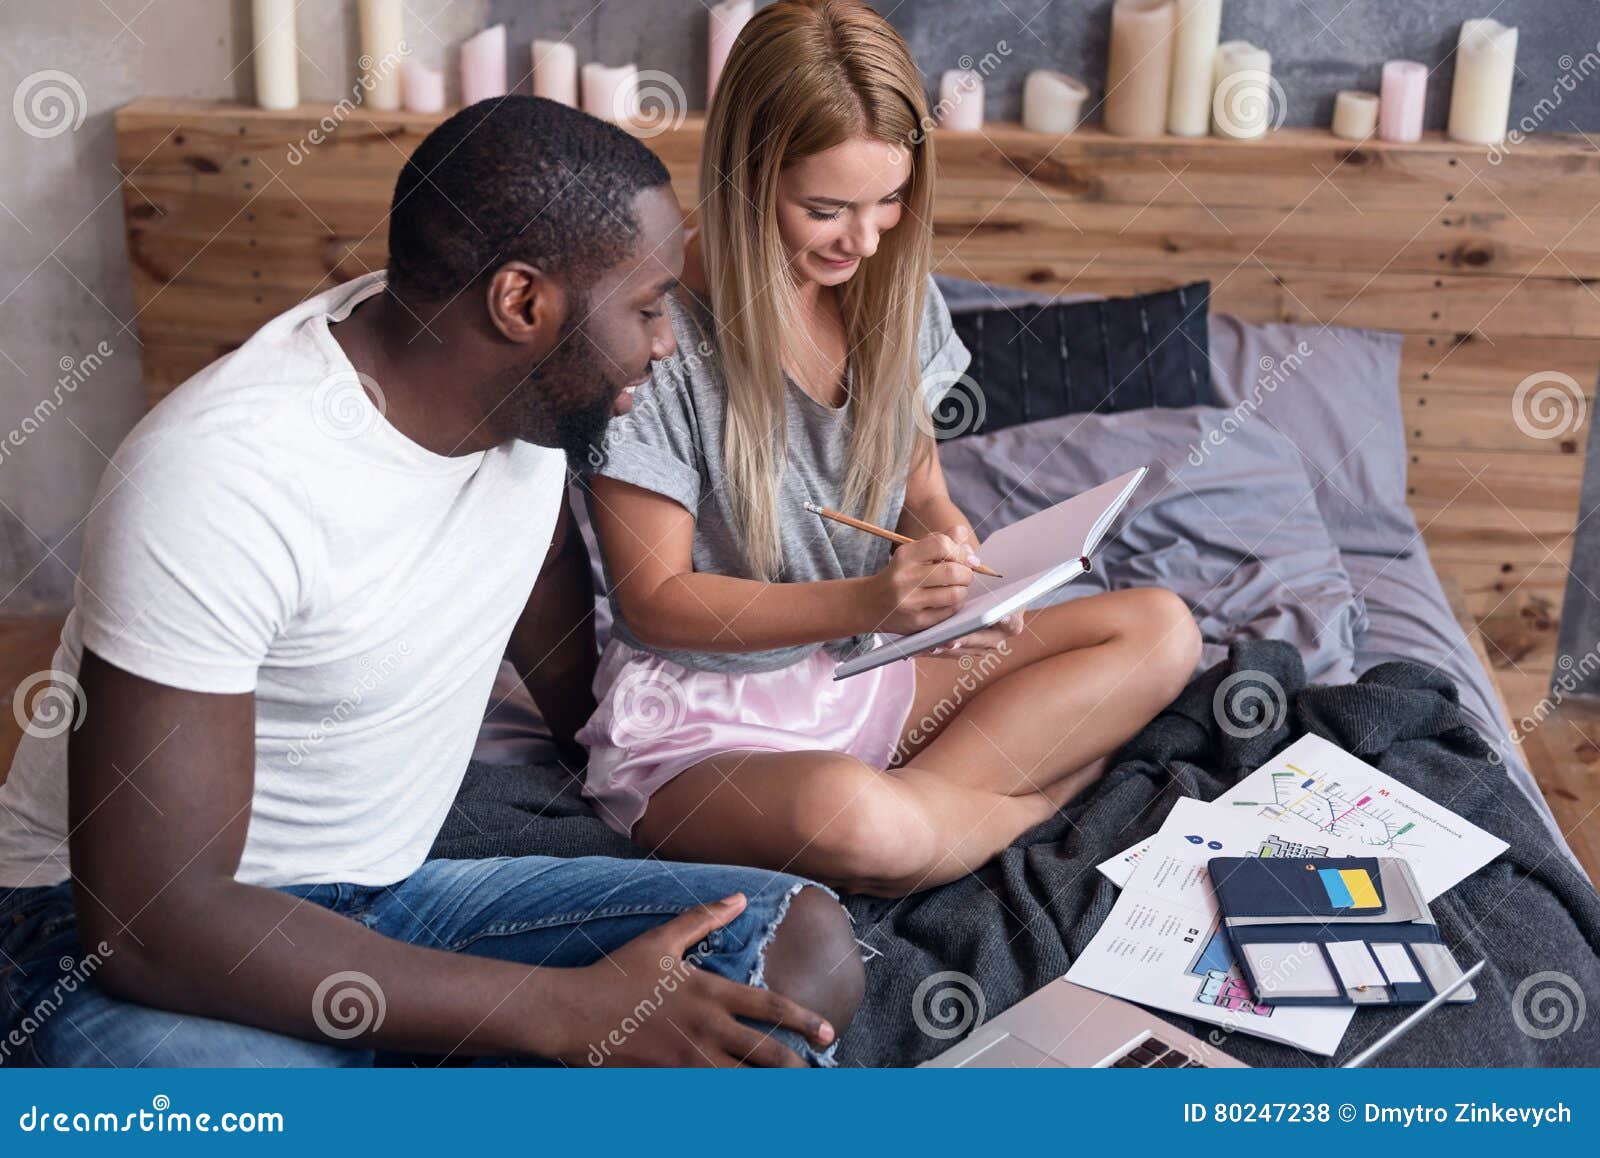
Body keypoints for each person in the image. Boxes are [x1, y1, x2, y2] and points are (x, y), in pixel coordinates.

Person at [0, 97, 862, 1068]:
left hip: (384, 896)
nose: (664, 344)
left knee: (794, 947)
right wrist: (559, 1010)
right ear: (522, 304)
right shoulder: (220, 476)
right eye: (648, 307)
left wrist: (621, 773)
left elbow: (531, 571)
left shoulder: (533, 404)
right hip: (111, 940)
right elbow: (153, 923)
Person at [579, 0, 1203, 897]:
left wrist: (962, 567)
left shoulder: (889, 294)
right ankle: (1030, 808)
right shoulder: (656, 330)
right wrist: (869, 597)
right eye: (826, 209)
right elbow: (658, 602)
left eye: (889, 201)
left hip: (868, 671)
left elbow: (924, 493)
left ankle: (937, 823)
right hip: (706, 720)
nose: (866, 241)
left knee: (1160, 631)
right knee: (858, 818)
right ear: (746, 176)